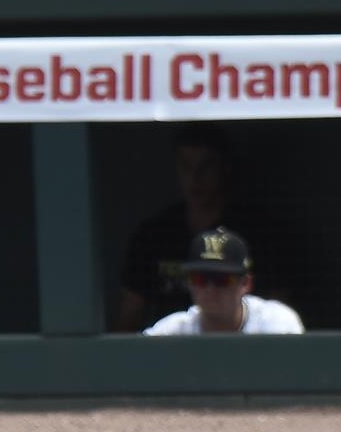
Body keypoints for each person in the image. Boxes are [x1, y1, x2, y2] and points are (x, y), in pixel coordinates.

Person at [115, 124, 289, 333]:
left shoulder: (259, 231)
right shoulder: (155, 234)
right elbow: (130, 315)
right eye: (186, 166)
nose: (195, 178)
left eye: (206, 166)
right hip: (178, 356)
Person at [143, 227, 304, 335]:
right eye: (200, 279)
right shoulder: (172, 332)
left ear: (245, 283)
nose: (210, 289)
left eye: (222, 280)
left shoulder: (276, 324)